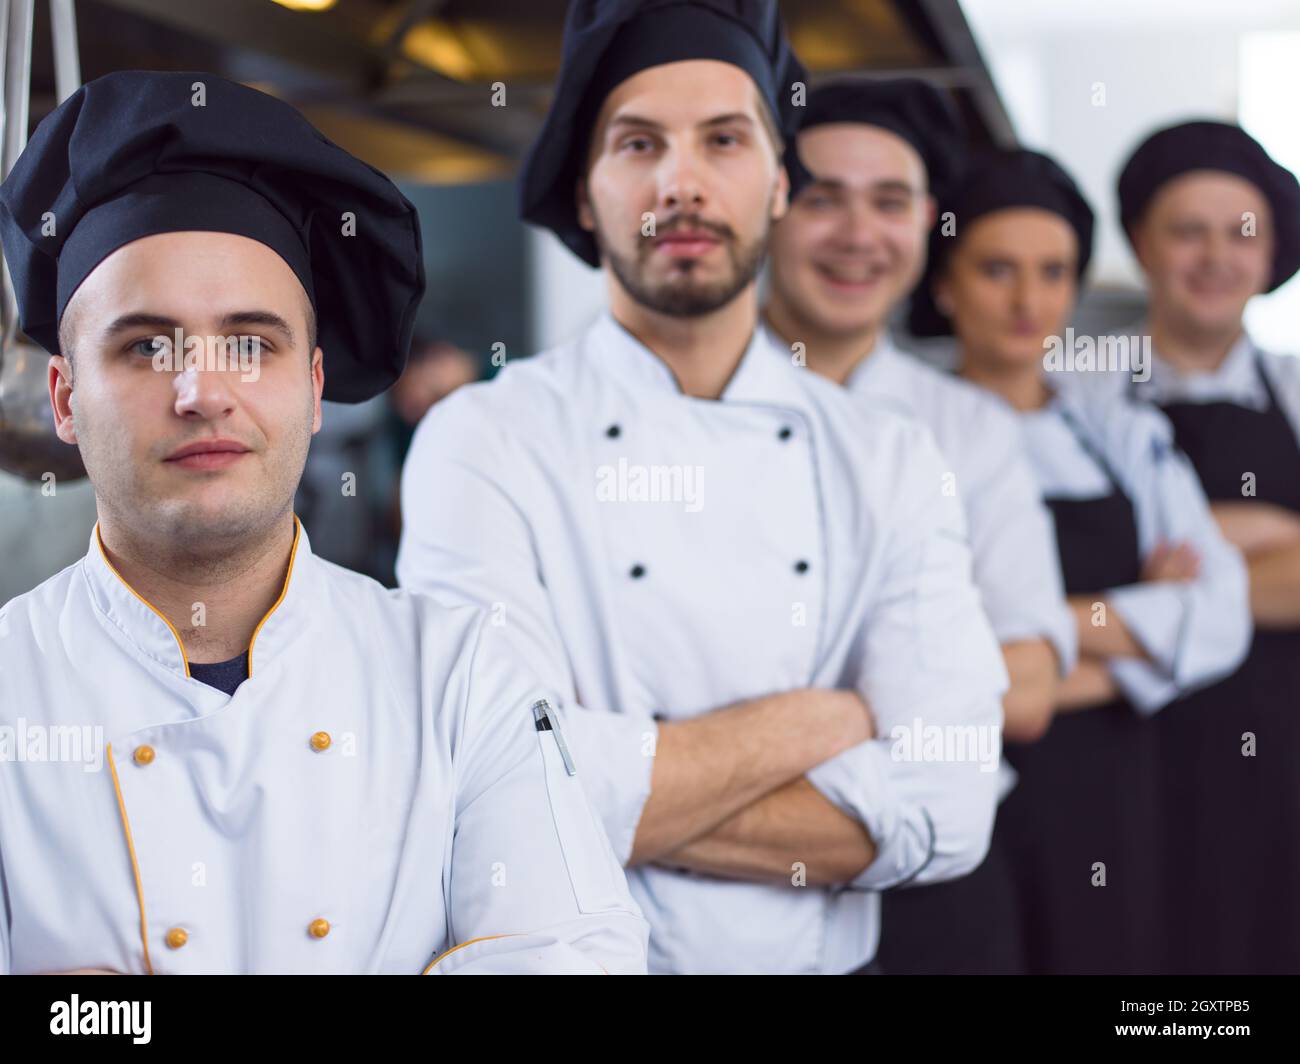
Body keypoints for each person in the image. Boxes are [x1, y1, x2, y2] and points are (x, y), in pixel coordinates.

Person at [398, 0, 1007, 974]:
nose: (681, 182)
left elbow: (954, 802)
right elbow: (487, 790)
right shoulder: (485, 437)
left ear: (776, 185)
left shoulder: (887, 457)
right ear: (586, 196)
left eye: (724, 140)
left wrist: (592, 791)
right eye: (638, 143)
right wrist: (830, 717)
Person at [0, 70, 647, 975]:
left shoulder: (460, 678)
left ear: (310, 392)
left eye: (250, 344)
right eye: (148, 347)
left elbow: (576, 961)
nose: (203, 392)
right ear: (65, 399)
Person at [912, 147, 1251, 973]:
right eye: (997, 270)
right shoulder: (901, 433)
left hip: (1107, 784)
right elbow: (909, 653)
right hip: (965, 784)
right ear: (945, 284)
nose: (1030, 300)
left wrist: (1034, 630)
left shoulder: (1120, 433)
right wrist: (1134, 625)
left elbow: (1219, 618)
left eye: (1054, 272)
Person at [762, 79, 1075, 974]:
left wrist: (755, 734)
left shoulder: (970, 427)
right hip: (717, 887)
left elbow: (1027, 689)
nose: (859, 235)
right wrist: (923, 694)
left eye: (890, 202)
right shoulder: (677, 408)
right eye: (823, 198)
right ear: (773, 207)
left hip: (937, 891)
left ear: (927, 221)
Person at [1064, 120, 1300, 972]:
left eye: (1240, 233)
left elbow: (1106, 570)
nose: (1215, 256)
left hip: (1281, 756)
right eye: (1186, 230)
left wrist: (1171, 559)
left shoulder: (1296, 385)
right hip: (1129, 738)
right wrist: (1276, 535)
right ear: (1141, 242)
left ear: (1272, 253)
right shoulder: (1077, 384)